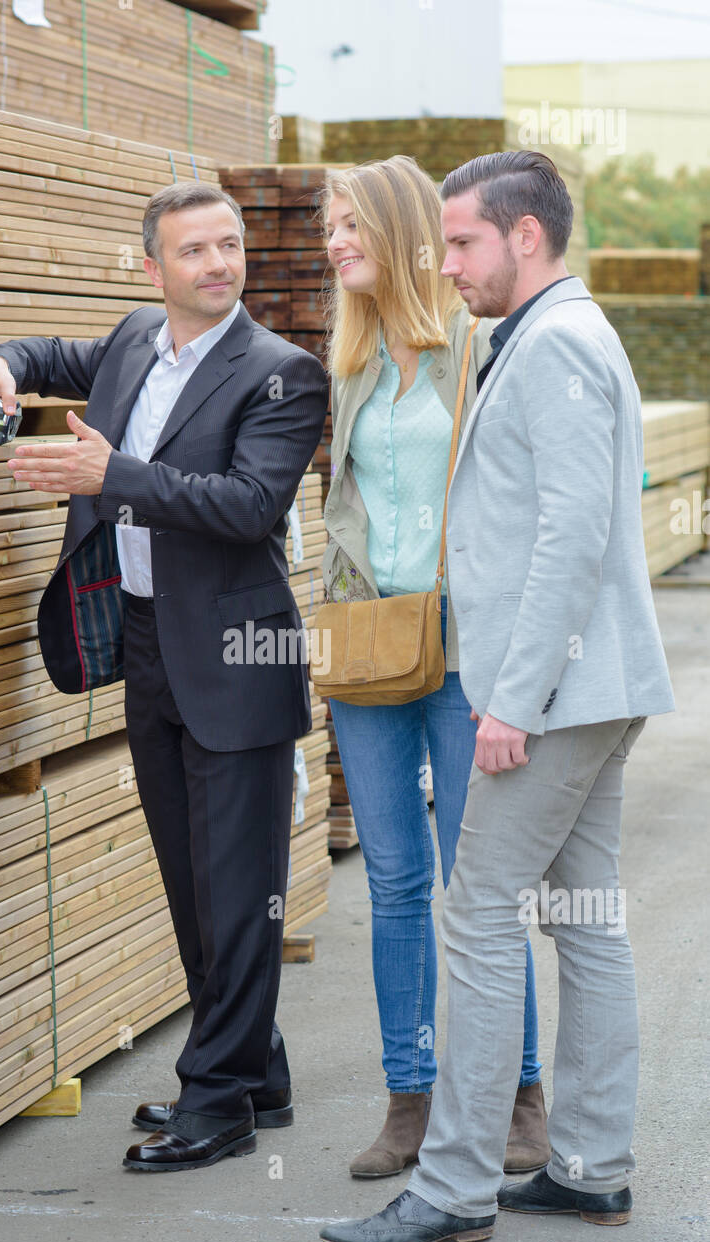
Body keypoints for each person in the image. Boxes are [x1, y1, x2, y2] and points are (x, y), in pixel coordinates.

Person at [320, 150, 675, 1242]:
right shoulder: (553, 337)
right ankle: (592, 1167)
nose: (448, 262)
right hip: (591, 685)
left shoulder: (556, 344)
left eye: (464, 241)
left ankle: (456, 1185)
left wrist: (509, 697)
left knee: (474, 915)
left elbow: (572, 535)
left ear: (526, 237)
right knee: (585, 918)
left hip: (557, 693)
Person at [0, 180, 329, 1172]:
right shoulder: (132, 342)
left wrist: (108, 474)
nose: (220, 264)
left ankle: (216, 1102)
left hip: (240, 652)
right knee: (191, 882)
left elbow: (249, 505)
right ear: (152, 267)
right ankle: (257, 1069)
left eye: (230, 245)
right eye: (195, 250)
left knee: (241, 883)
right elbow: (41, 358)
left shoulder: (284, 373)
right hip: (148, 643)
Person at [319, 155, 548, 1180]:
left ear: (404, 234)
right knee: (397, 881)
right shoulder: (352, 364)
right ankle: (409, 1101)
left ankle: (517, 1098)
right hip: (373, 644)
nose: (333, 244)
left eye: (349, 226)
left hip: (466, 649)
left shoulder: (480, 351)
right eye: (327, 227)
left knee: (480, 883)